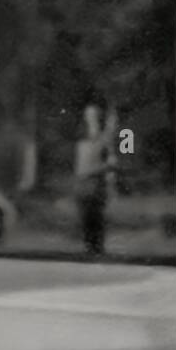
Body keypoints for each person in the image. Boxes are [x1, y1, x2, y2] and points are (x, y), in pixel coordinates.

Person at [74, 102, 116, 256]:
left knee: (96, 217)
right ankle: (90, 247)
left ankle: (96, 248)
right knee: (87, 217)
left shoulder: (104, 140)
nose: (91, 119)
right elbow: (81, 167)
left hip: (96, 185)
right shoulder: (82, 140)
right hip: (84, 184)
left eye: (94, 116)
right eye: (89, 116)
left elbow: (114, 158)